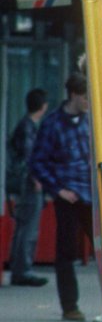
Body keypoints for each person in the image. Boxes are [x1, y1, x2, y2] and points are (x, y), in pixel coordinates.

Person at [29, 73, 91, 321]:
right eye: (86, 97)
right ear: (74, 95)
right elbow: (38, 162)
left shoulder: (92, 120)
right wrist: (57, 190)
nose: (89, 102)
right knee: (65, 251)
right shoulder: (53, 124)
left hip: (91, 194)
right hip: (68, 196)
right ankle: (70, 306)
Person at [6, 87, 49, 286]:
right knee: (29, 227)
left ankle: (19, 267)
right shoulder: (29, 128)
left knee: (22, 226)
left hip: (22, 182)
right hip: (29, 184)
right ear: (43, 106)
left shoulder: (24, 125)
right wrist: (38, 179)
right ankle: (23, 269)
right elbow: (30, 157)